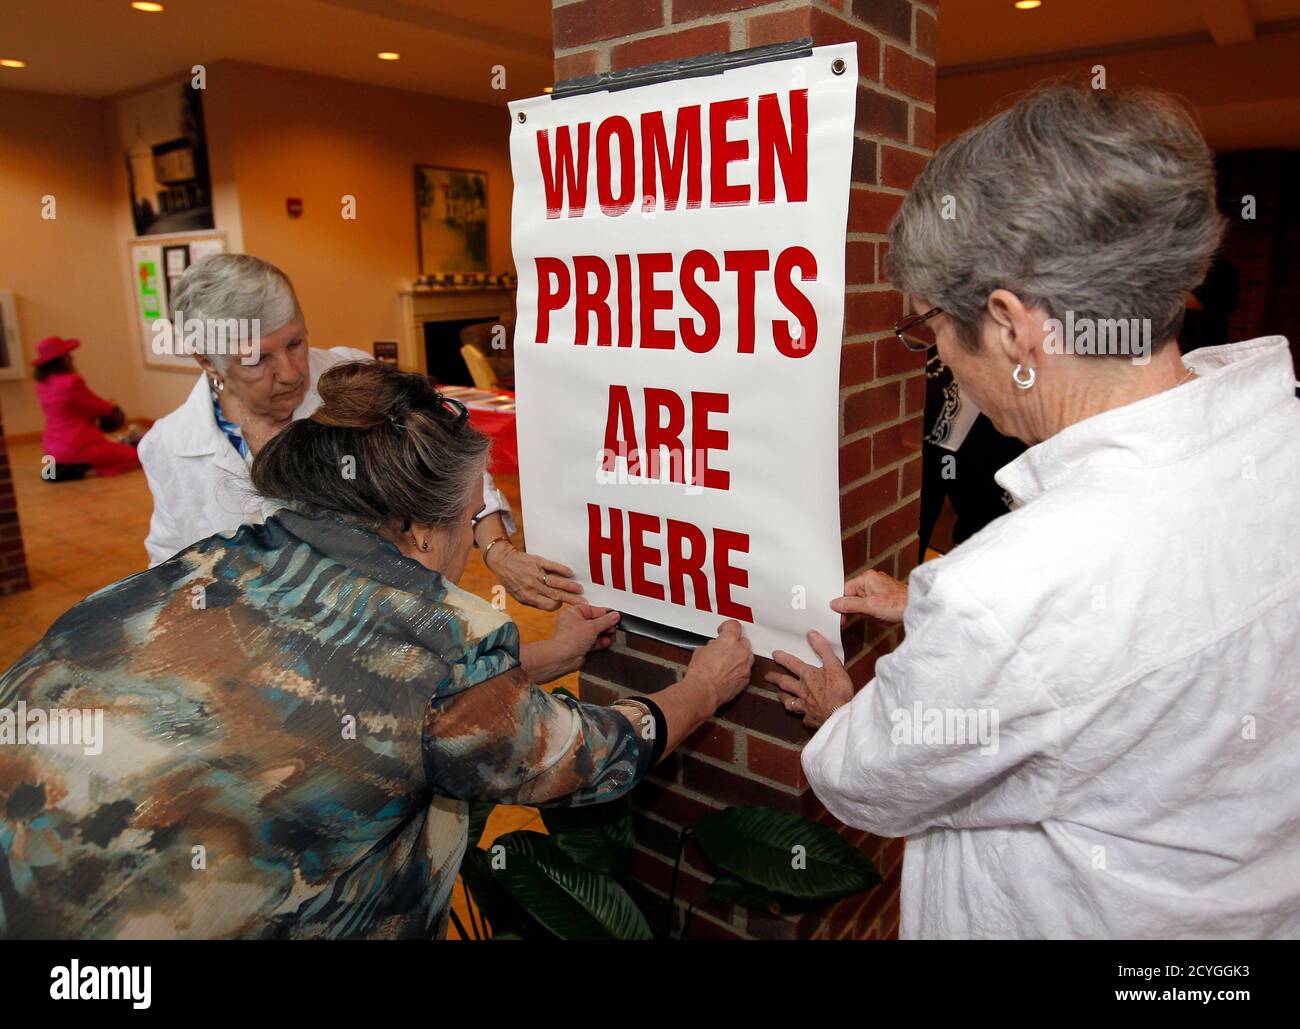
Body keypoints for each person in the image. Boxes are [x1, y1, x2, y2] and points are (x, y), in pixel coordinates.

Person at [769, 83, 1300, 938]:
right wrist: (928, 608)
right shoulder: (1275, 433)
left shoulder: (1015, 590)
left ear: (1014, 327)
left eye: (931, 328)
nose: (936, 356)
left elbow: (865, 777)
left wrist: (845, 706)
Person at [0, 360, 754, 939]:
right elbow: (589, 758)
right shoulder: (438, 639)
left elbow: (359, 694)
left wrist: (550, 657)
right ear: (423, 529)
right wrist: (705, 686)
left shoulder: (223, 560)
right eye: (471, 518)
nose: (473, 538)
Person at [138, 254, 574, 610]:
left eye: (295, 343)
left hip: (387, 622)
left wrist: (499, 550)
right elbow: (171, 565)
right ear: (208, 362)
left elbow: (448, 464)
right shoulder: (169, 446)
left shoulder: (346, 377)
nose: (290, 373)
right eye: (257, 360)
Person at [31, 336, 140, 480]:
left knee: (110, 449)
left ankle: (67, 465)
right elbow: (99, 407)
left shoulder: (42, 384)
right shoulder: (71, 382)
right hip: (77, 445)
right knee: (134, 456)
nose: (72, 357)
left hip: (51, 448)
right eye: (68, 355)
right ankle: (86, 469)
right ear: (63, 359)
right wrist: (110, 404)